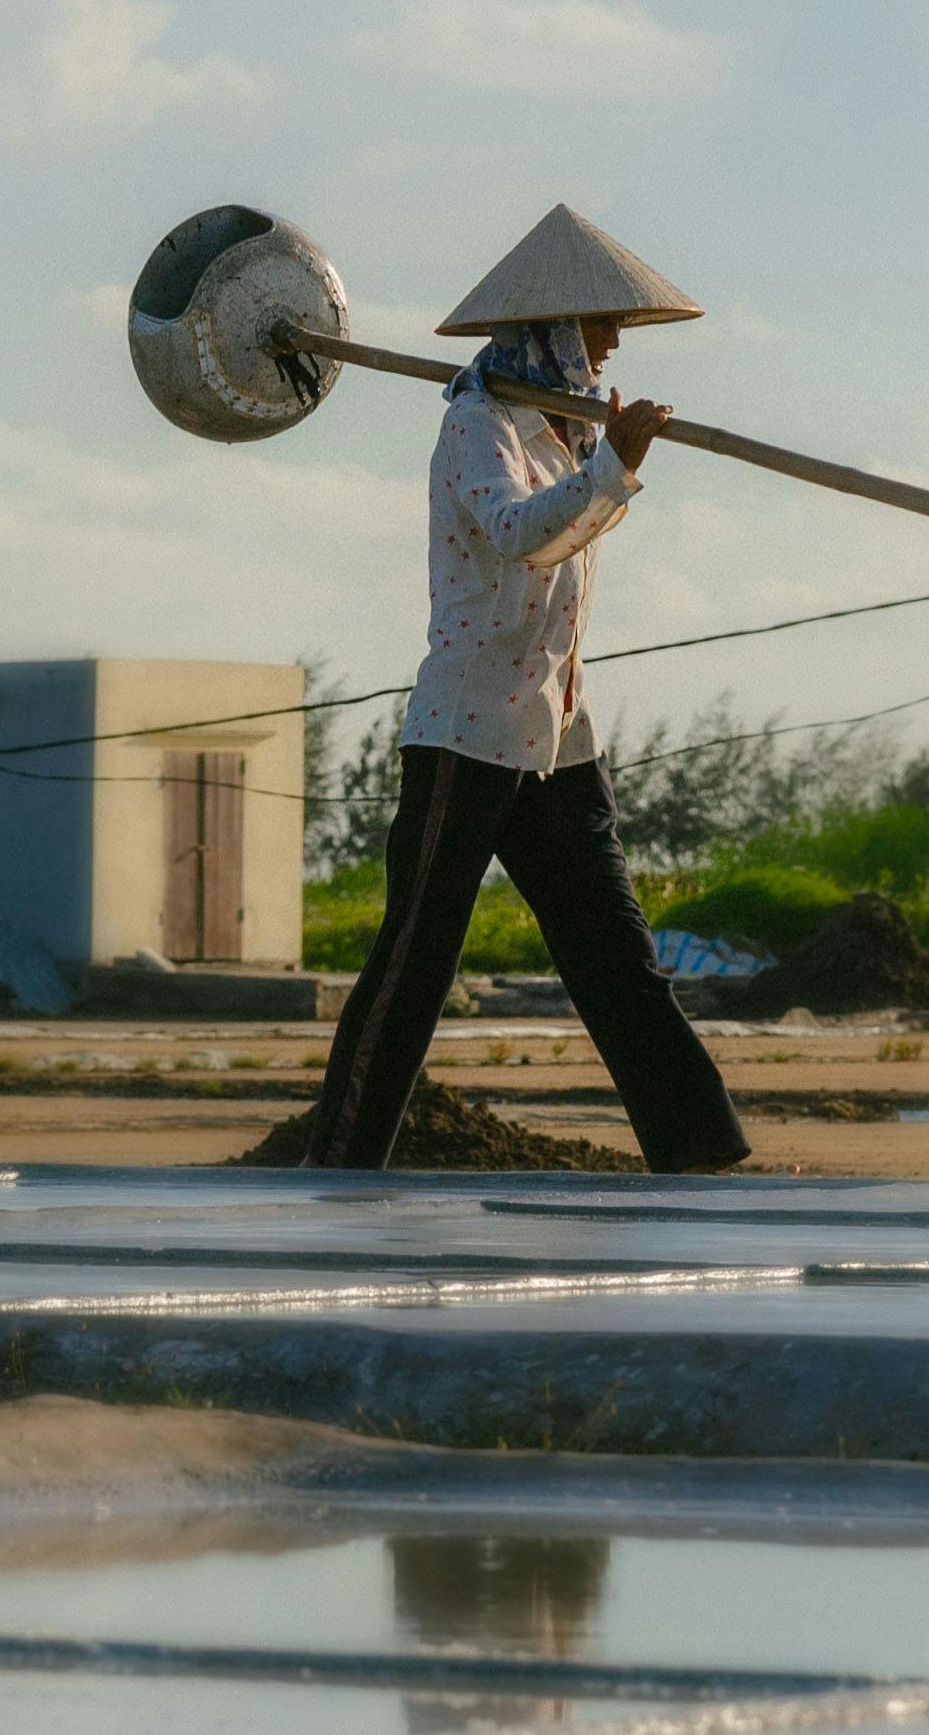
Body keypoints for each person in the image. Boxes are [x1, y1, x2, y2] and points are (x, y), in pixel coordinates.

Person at [295, 204, 754, 1174]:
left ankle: (702, 1153)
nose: (612, 341)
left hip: (556, 735)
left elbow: (569, 534)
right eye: (598, 324)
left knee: (618, 961)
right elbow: (518, 537)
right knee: (416, 962)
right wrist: (614, 469)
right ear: (548, 329)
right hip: (467, 730)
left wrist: (604, 464)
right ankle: (339, 1162)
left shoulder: (561, 431)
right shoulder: (478, 425)